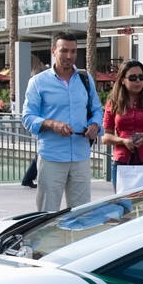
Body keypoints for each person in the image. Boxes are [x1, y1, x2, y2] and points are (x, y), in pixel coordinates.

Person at [21, 32, 101, 211]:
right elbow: (27, 117)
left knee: (82, 214)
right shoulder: (38, 82)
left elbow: (96, 110)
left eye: (73, 51)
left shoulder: (85, 79)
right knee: (46, 215)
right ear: (53, 51)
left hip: (81, 156)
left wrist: (95, 125)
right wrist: (52, 124)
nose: (69, 56)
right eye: (64, 50)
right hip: (52, 157)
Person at [101, 59, 143, 191]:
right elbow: (106, 137)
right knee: (125, 205)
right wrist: (123, 141)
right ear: (122, 80)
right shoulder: (113, 103)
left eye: (141, 77)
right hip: (122, 162)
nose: (138, 81)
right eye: (132, 77)